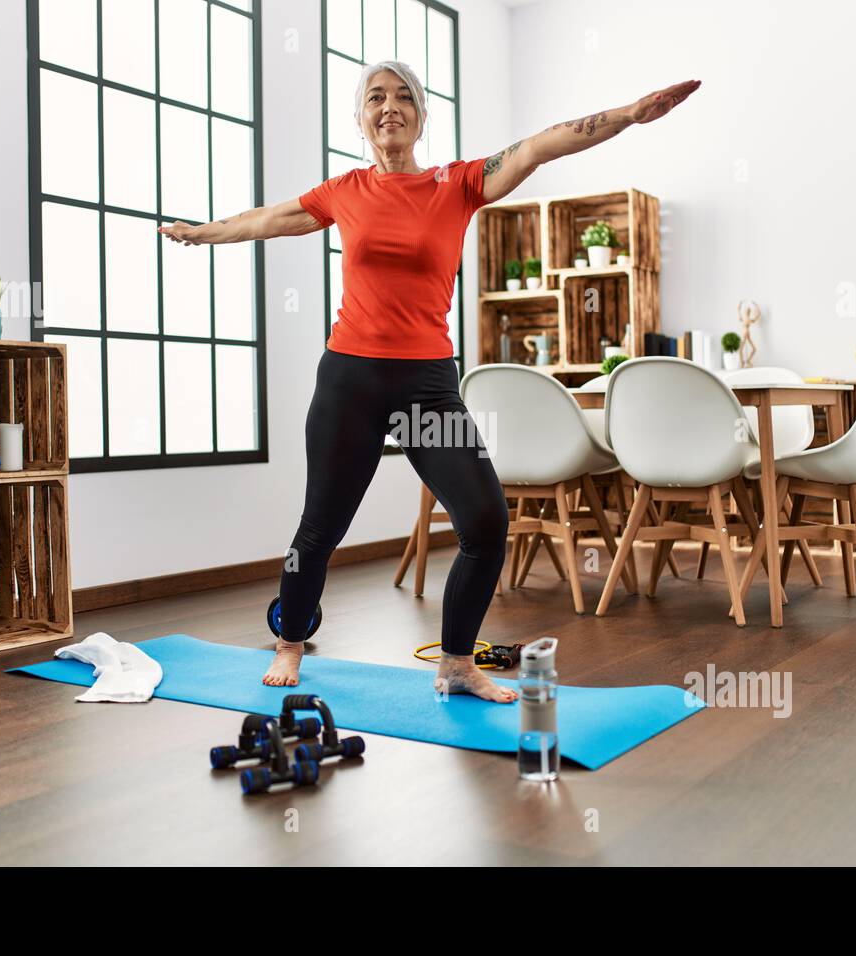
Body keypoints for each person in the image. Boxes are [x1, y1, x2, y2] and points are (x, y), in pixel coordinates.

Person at [160, 61, 700, 702]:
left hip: (426, 385)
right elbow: (269, 219)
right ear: (360, 120)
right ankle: (291, 639)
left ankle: (456, 663)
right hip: (350, 380)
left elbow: (541, 144)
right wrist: (203, 235)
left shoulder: (458, 183)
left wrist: (628, 115)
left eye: (402, 97)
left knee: (484, 518)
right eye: (375, 98)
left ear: (421, 114)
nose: (389, 107)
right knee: (321, 527)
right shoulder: (345, 190)